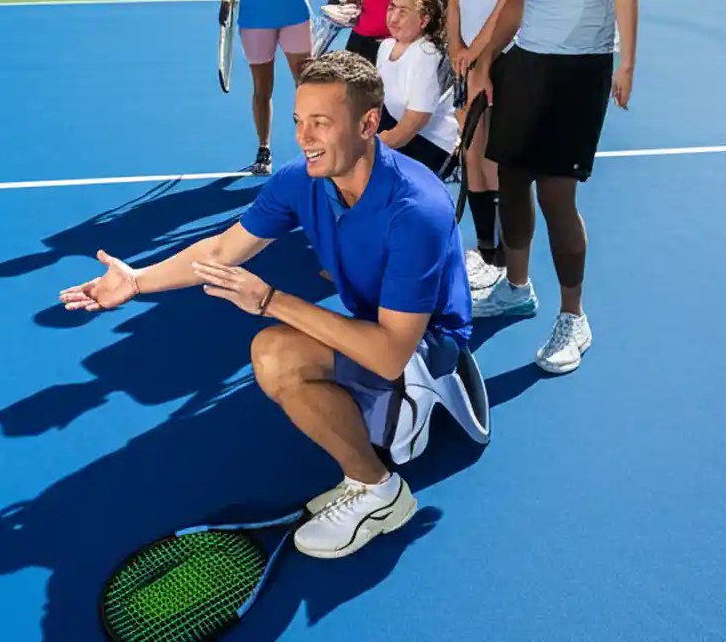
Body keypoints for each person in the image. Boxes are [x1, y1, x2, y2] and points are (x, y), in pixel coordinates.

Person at [59, 52, 473, 559]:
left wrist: (272, 301)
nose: (304, 137)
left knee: (275, 353)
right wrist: (137, 281)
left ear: (369, 123)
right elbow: (219, 252)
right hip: (376, 323)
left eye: (322, 122)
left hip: (424, 344)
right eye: (299, 121)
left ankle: (381, 492)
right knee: (282, 353)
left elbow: (389, 353)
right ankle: (381, 422)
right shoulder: (303, 180)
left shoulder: (417, 210)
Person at [470, 0, 638, 374]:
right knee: (511, 175)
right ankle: (516, 288)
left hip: (582, 67)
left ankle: (573, 318)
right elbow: (515, 1)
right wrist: (484, 62)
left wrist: (627, 63)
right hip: (528, 60)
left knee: (556, 194)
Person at [224, 0, 317, 175]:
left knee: (307, 87)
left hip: (295, 15)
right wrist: (226, 0)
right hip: (255, 19)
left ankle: (314, 146)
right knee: (262, 89)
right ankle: (263, 148)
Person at [447, 0, 509, 292]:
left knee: (493, 158)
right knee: (472, 152)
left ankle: (502, 258)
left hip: (503, 55)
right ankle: (485, 249)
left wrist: (479, 53)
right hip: (468, 58)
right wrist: (456, 46)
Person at [376, 0, 459, 175]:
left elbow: (414, 122)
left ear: (424, 21)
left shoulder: (426, 54)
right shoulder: (386, 46)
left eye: (403, 12)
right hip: (402, 131)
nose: (393, 18)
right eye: (391, 8)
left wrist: (368, 145)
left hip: (432, 145)